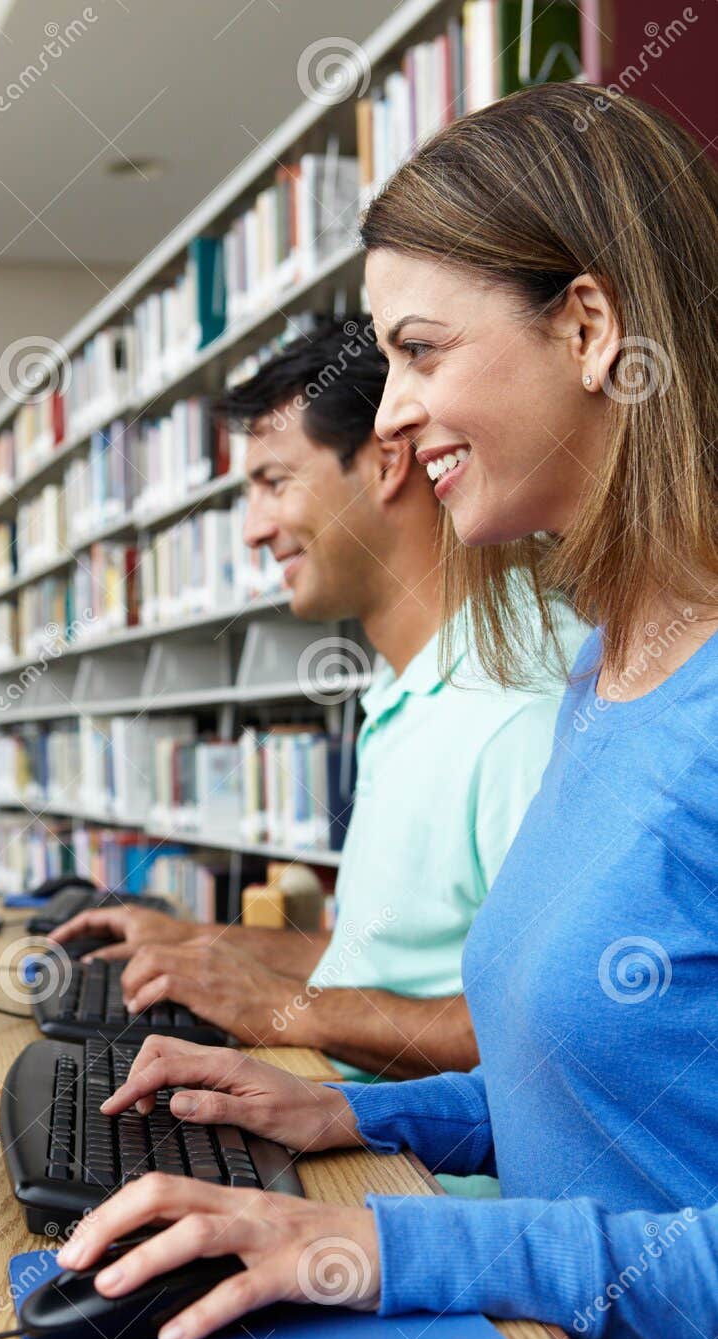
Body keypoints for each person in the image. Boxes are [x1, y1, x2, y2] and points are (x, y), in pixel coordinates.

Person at [57, 83, 718, 1339]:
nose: (395, 416)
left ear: (591, 332)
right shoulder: (606, 664)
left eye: (419, 351)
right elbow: (602, 1099)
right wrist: (352, 1120)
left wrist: (381, 1245)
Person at [51, 320, 582, 1082]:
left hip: (443, 1184)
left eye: (273, 482)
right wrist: (200, 948)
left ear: (388, 460)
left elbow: (548, 1034)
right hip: (367, 1131)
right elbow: (391, 965)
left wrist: (279, 1012)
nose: (253, 531)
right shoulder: (404, 689)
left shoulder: (521, 702)